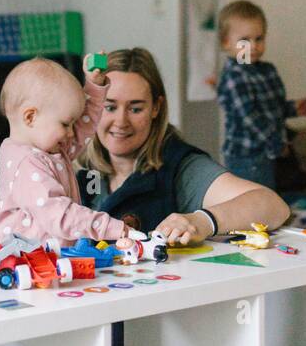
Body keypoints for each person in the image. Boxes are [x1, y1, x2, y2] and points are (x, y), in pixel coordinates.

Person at [76, 47, 289, 244]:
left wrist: (202, 221)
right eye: (110, 107)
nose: (121, 122)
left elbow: (273, 207)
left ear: (156, 108)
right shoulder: (80, 168)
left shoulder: (181, 169)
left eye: (135, 109)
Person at [0, 54, 128, 249]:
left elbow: (84, 127)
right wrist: (111, 227)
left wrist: (94, 86)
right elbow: (61, 215)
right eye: (65, 124)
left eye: (72, 123)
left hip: (51, 257)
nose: (72, 132)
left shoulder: (48, 150)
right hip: (26, 261)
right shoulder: (27, 164)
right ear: (30, 117)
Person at [213, 0, 306, 189]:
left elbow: (273, 107)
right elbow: (251, 118)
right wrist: (276, 143)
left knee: (269, 195)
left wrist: (293, 108)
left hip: (267, 152)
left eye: (259, 39)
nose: (254, 46)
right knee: (253, 202)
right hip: (246, 156)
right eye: (245, 40)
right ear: (226, 43)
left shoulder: (267, 70)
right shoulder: (235, 76)